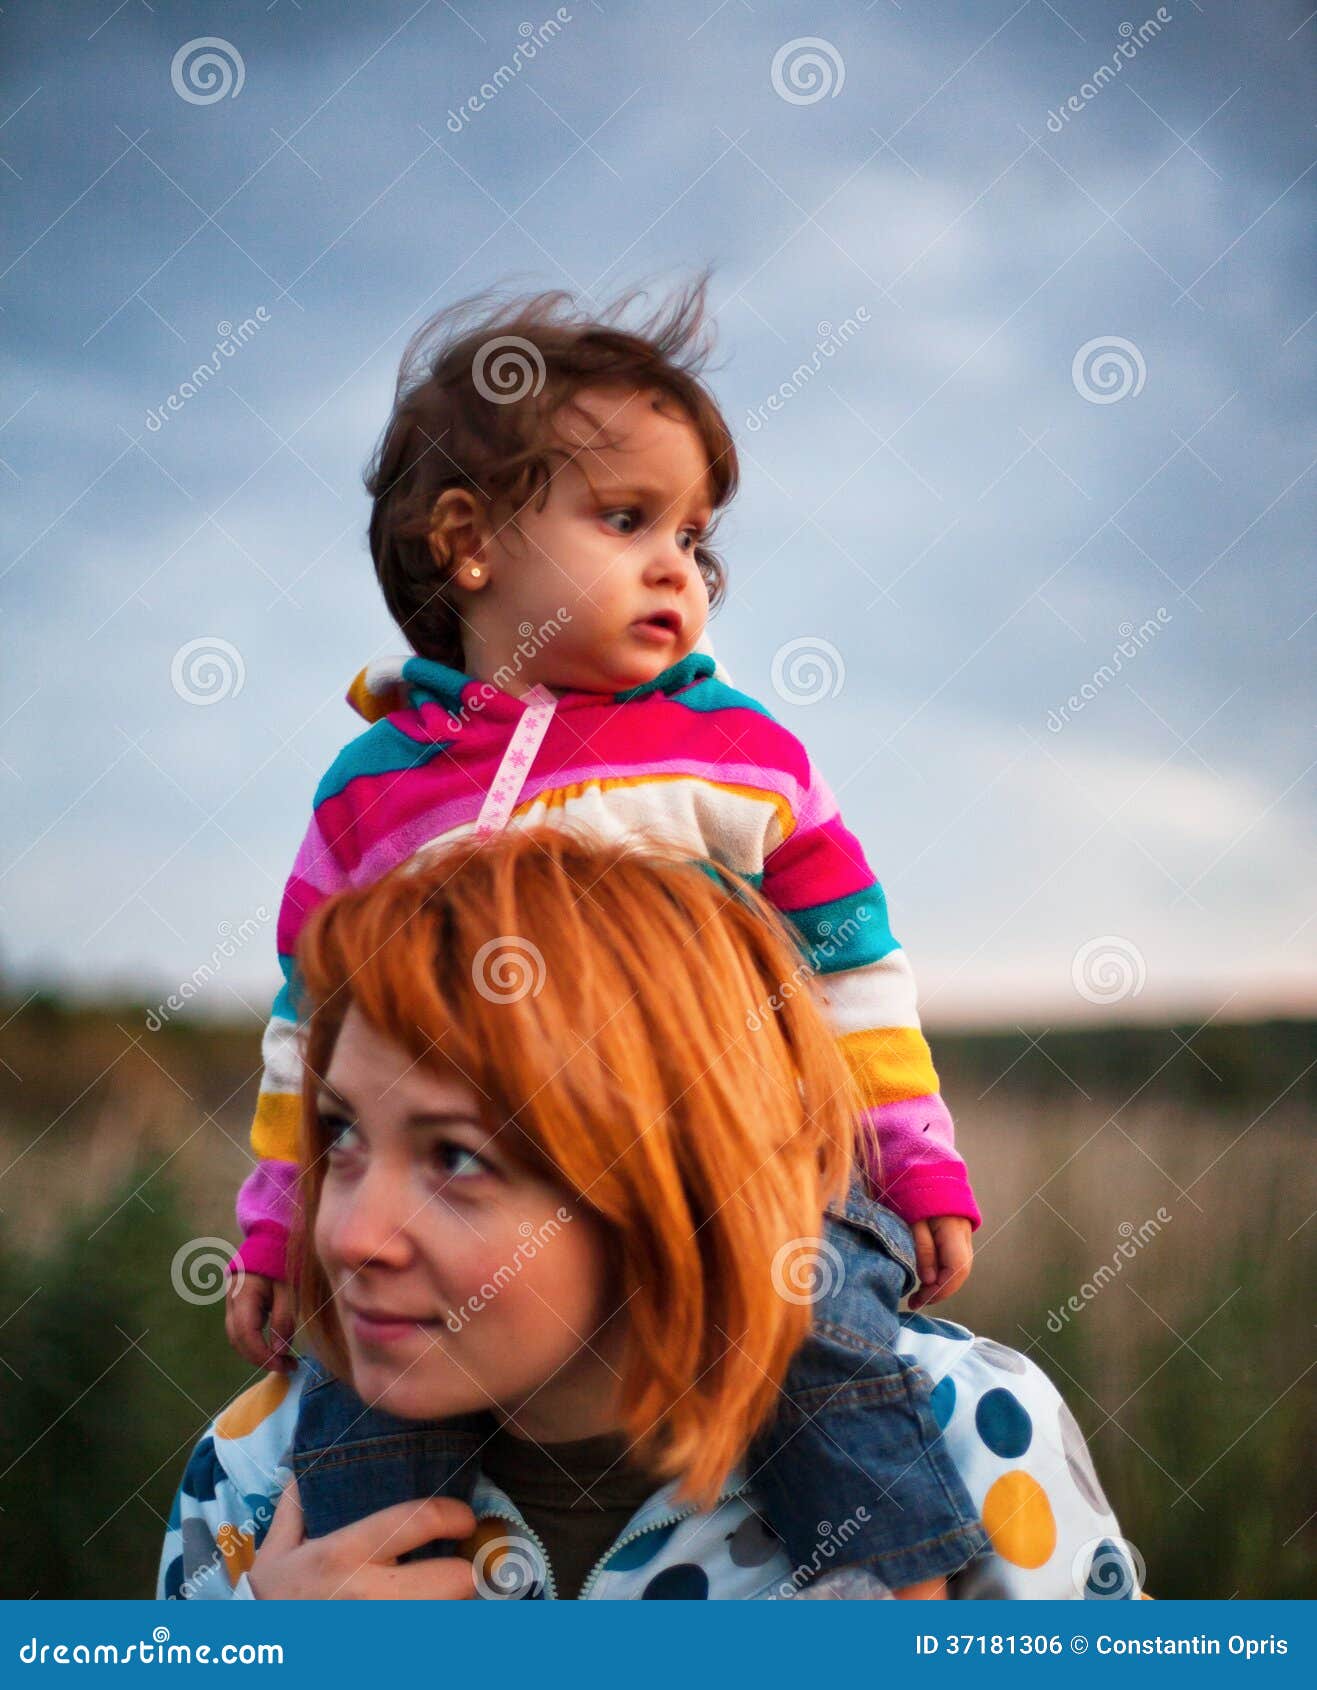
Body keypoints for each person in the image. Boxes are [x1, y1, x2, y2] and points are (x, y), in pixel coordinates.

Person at [224, 274, 987, 1593]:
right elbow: (311, 1027)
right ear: (468, 544)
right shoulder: (374, 784)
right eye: (626, 519)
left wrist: (912, 1165)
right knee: (359, 1395)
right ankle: (355, 1605)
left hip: (749, 1165)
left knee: (818, 1316)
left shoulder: (742, 757)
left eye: (694, 538)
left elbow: (857, 971)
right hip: (472, 1230)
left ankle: (904, 1593)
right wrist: (276, 1222)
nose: (674, 569)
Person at [165, 831, 1142, 1602]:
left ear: (679, 1175)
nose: (346, 1235)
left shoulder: (964, 1440)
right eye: (339, 1134)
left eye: (457, 1157)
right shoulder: (260, 1478)